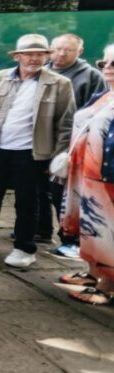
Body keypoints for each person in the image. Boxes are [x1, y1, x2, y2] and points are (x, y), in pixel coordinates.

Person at [0, 34, 75, 268]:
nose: (34, 58)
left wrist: (57, 157)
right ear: (18, 56)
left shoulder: (60, 84)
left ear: (46, 56)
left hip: (32, 153)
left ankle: (24, 248)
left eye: (40, 53)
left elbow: (66, 124)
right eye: (29, 53)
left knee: (27, 201)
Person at [40, 34, 106, 256]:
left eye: (67, 50)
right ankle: (41, 230)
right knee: (38, 188)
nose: (61, 54)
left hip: (72, 144)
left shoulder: (92, 76)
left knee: (63, 191)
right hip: (40, 141)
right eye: (57, 49)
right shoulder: (41, 70)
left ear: (79, 51)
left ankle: (71, 239)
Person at [58, 45, 114, 306]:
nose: (108, 69)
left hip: (107, 179)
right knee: (91, 228)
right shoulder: (104, 95)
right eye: (104, 63)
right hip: (87, 175)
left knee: (108, 232)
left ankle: (107, 286)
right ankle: (93, 273)